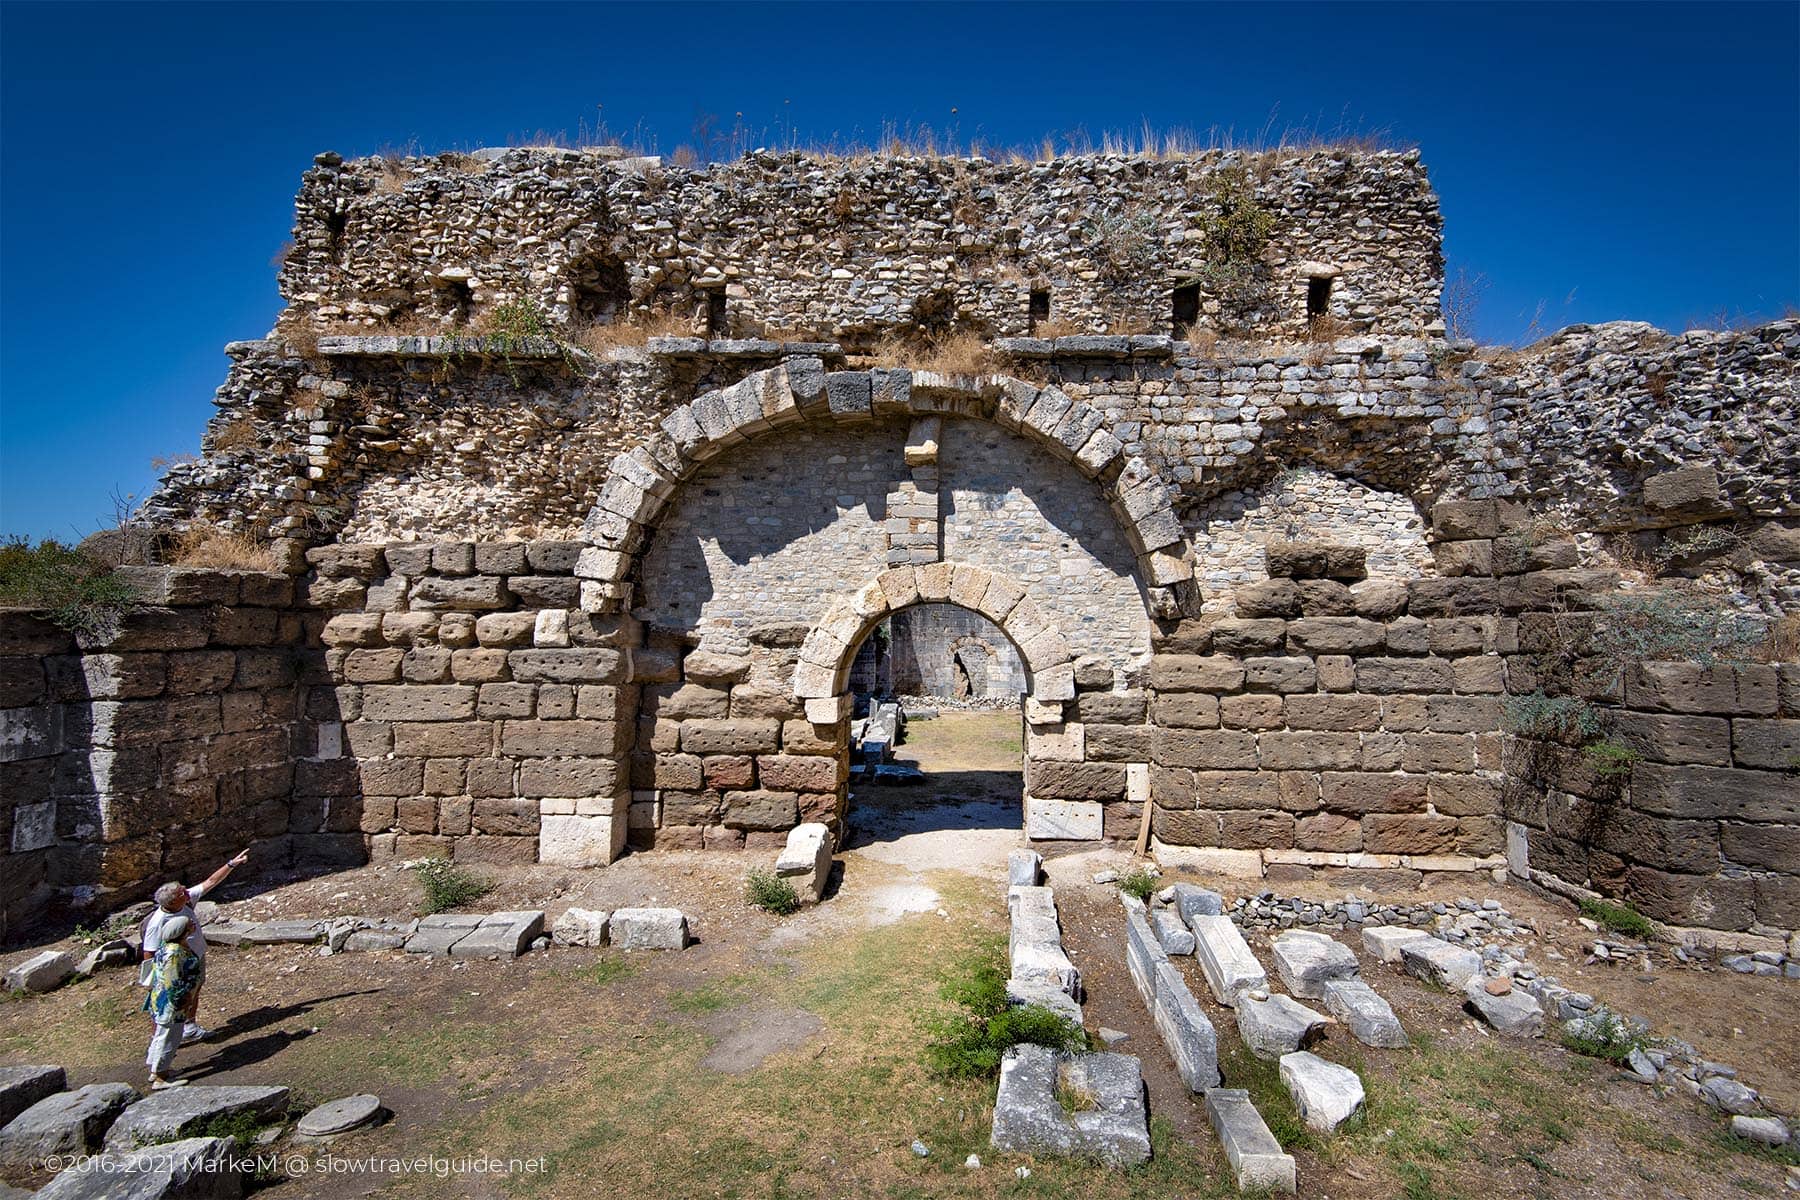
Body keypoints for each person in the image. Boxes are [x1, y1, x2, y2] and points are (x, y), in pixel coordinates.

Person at [140, 849, 248, 1044]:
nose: (187, 891)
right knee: (165, 1001)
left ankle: (189, 1027)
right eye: (182, 892)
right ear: (173, 901)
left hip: (195, 957)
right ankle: (158, 1039)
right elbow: (149, 951)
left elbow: (211, 882)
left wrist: (231, 863)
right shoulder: (157, 922)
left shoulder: (186, 900)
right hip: (173, 964)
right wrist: (152, 980)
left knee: (194, 990)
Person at [143, 914, 202, 1089]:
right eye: (188, 925)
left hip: (162, 1001)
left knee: (161, 1035)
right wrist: (183, 999)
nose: (192, 925)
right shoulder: (174, 953)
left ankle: (156, 1070)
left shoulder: (167, 948)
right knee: (169, 1038)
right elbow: (173, 981)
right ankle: (161, 1076)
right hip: (172, 1004)